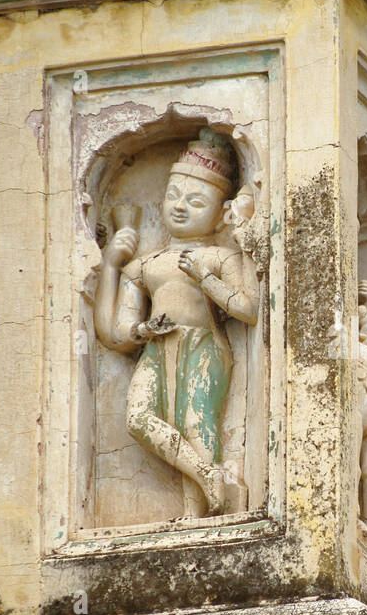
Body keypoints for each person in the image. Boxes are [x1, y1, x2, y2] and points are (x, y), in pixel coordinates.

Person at [95, 129, 257, 518]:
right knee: (138, 418)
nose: (180, 207)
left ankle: (195, 513)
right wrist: (111, 269)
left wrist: (207, 280)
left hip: (205, 344)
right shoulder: (144, 265)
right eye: (172, 197)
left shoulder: (220, 258)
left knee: (195, 422)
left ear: (221, 213)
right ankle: (206, 474)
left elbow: (249, 309)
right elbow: (115, 333)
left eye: (196, 201)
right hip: (157, 345)